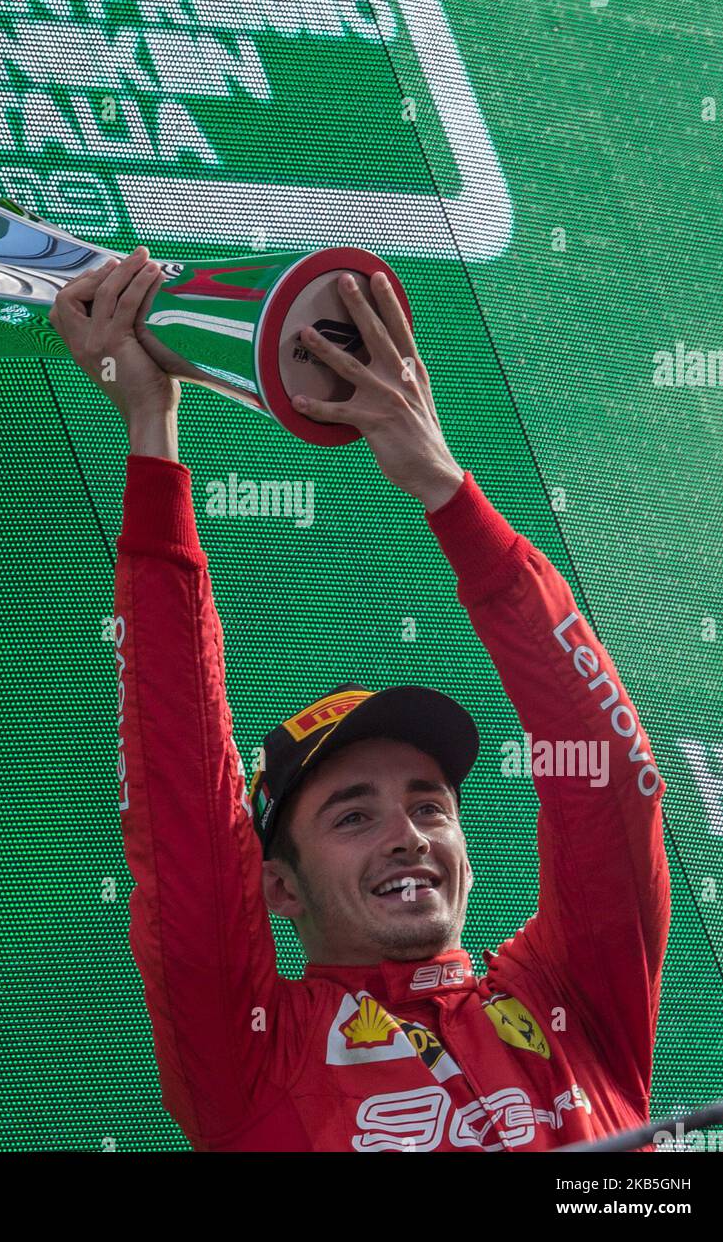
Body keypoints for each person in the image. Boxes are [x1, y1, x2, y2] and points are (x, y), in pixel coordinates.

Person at [48, 247, 671, 1153]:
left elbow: (608, 778)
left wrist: (443, 486)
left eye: (429, 805)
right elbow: (182, 796)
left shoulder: (572, 998)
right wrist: (151, 431)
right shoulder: (252, 1052)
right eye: (352, 814)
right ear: (278, 887)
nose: (409, 832)